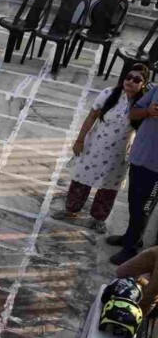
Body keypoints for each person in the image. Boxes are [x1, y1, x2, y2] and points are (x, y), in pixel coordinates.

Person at [55, 64, 151, 235]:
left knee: (109, 186)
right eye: (128, 77)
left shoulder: (143, 104)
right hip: (95, 146)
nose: (130, 81)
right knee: (81, 179)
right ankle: (71, 210)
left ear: (143, 84)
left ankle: (98, 219)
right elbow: (91, 116)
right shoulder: (108, 94)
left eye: (137, 79)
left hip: (120, 152)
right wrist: (79, 140)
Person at [109, 73, 158, 265]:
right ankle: (130, 237)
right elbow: (134, 112)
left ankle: (131, 249)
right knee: (133, 201)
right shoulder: (156, 90)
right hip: (140, 157)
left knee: (144, 208)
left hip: (156, 169)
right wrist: (148, 112)